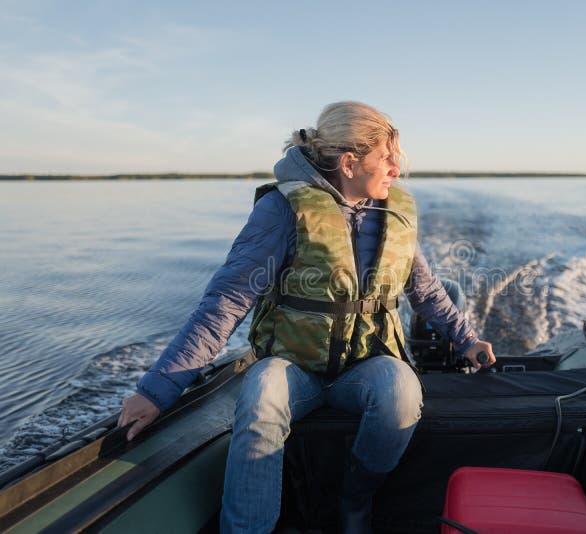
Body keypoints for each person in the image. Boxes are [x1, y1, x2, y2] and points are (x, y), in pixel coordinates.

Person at [117, 101, 495, 533]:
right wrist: (156, 390)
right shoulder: (282, 210)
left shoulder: (394, 213)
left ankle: (355, 500)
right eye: (387, 156)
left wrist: (466, 340)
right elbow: (224, 304)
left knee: (401, 391)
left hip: (365, 368)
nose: (397, 167)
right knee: (262, 392)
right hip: (294, 367)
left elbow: (425, 290)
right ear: (350, 163)